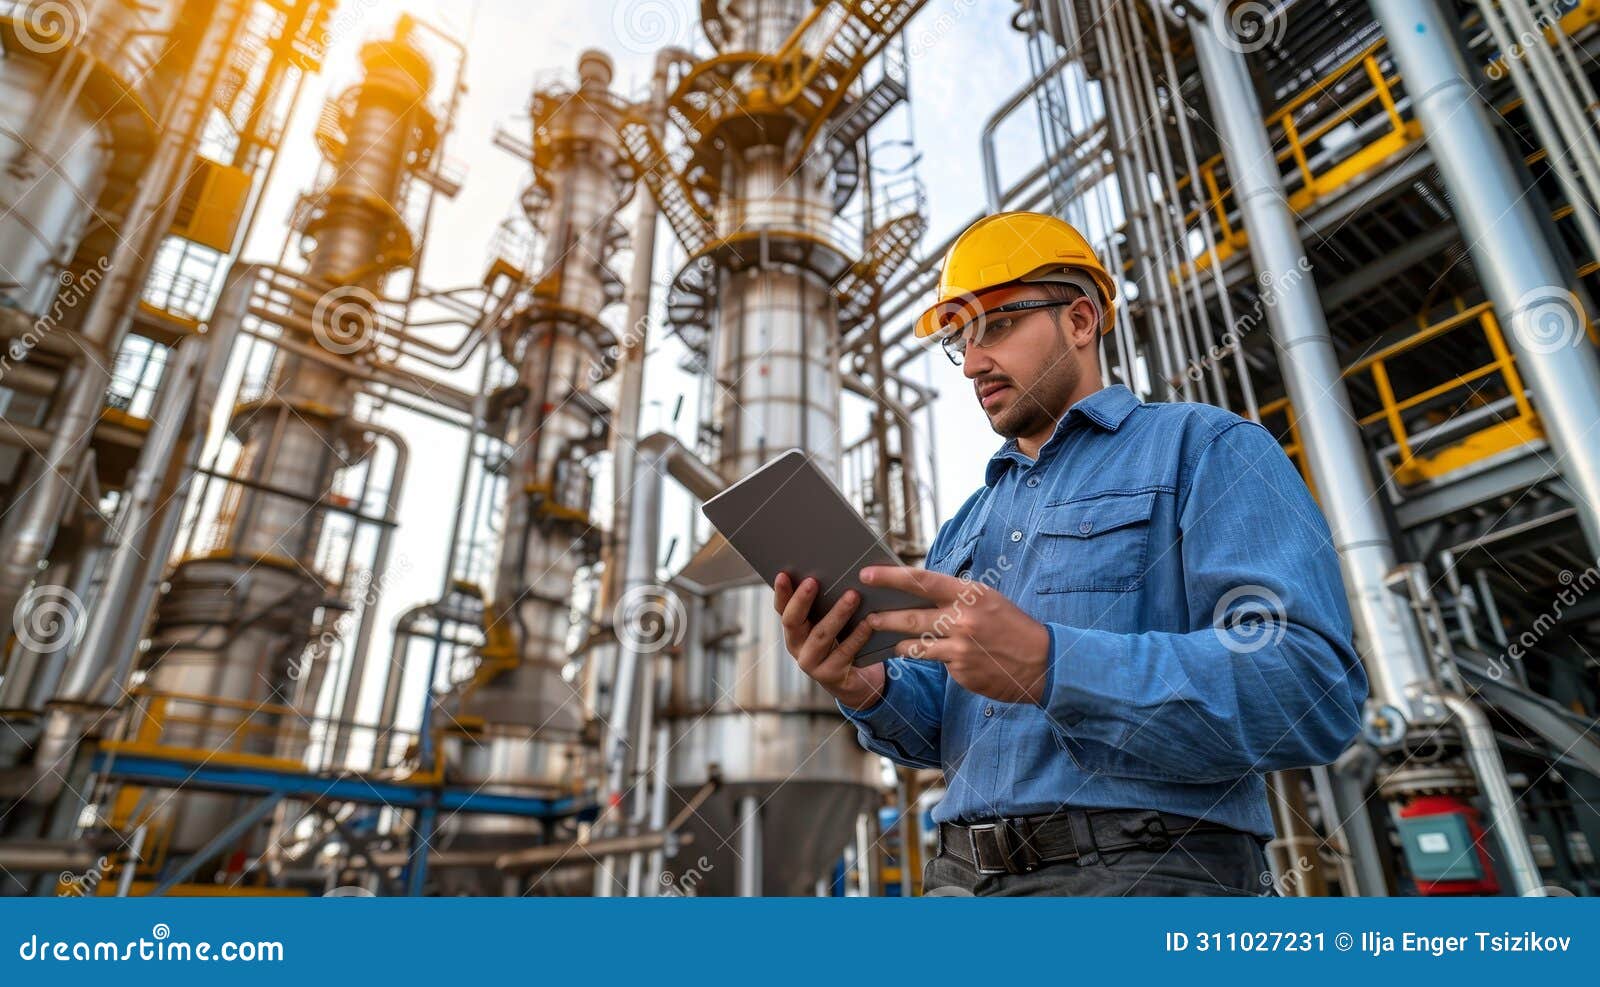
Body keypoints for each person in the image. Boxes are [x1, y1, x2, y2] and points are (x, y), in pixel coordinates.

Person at [773, 211, 1368, 896]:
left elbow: (1310, 687)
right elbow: (945, 724)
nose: (971, 363)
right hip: (959, 880)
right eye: (958, 340)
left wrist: (1055, 664)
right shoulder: (966, 525)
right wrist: (863, 685)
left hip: (1144, 873)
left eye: (995, 325)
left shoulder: (1206, 448)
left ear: (1081, 320)